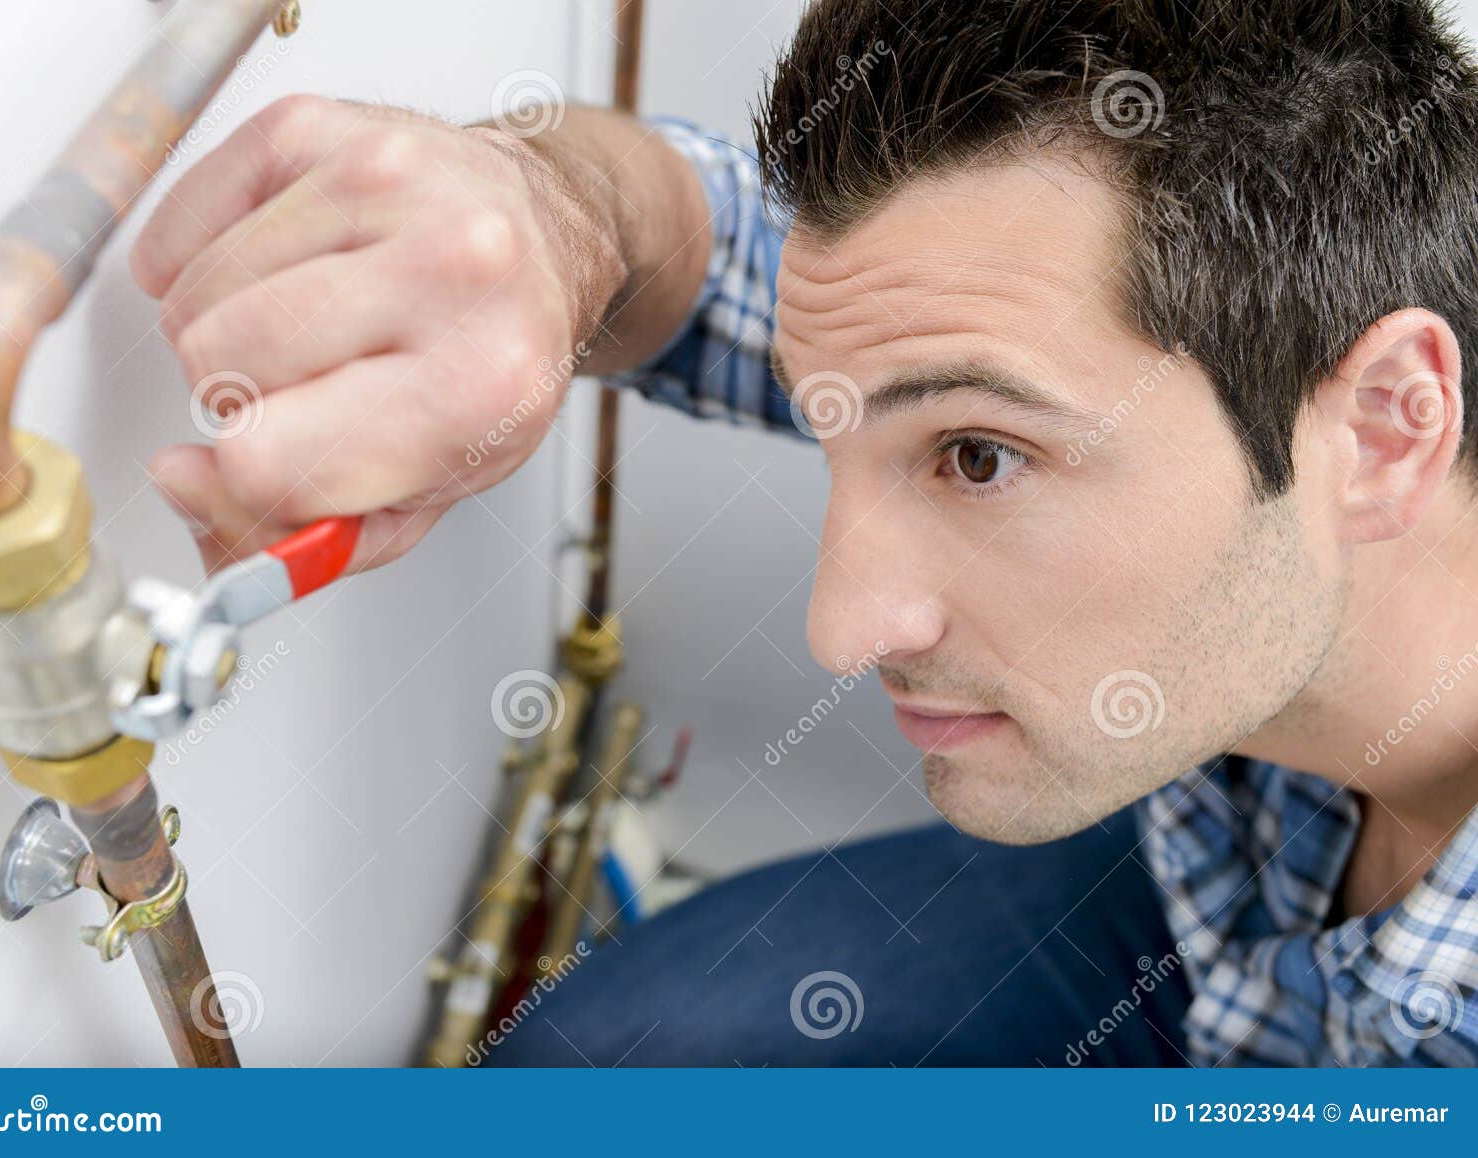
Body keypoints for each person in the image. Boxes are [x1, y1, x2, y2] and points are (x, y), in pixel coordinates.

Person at [130, 0, 1478, 1065]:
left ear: (1384, 431)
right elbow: (696, 236)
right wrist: (552, 216)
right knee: (601, 1069)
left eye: (978, 454)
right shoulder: (1042, 308)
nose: (845, 627)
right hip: (1198, 885)